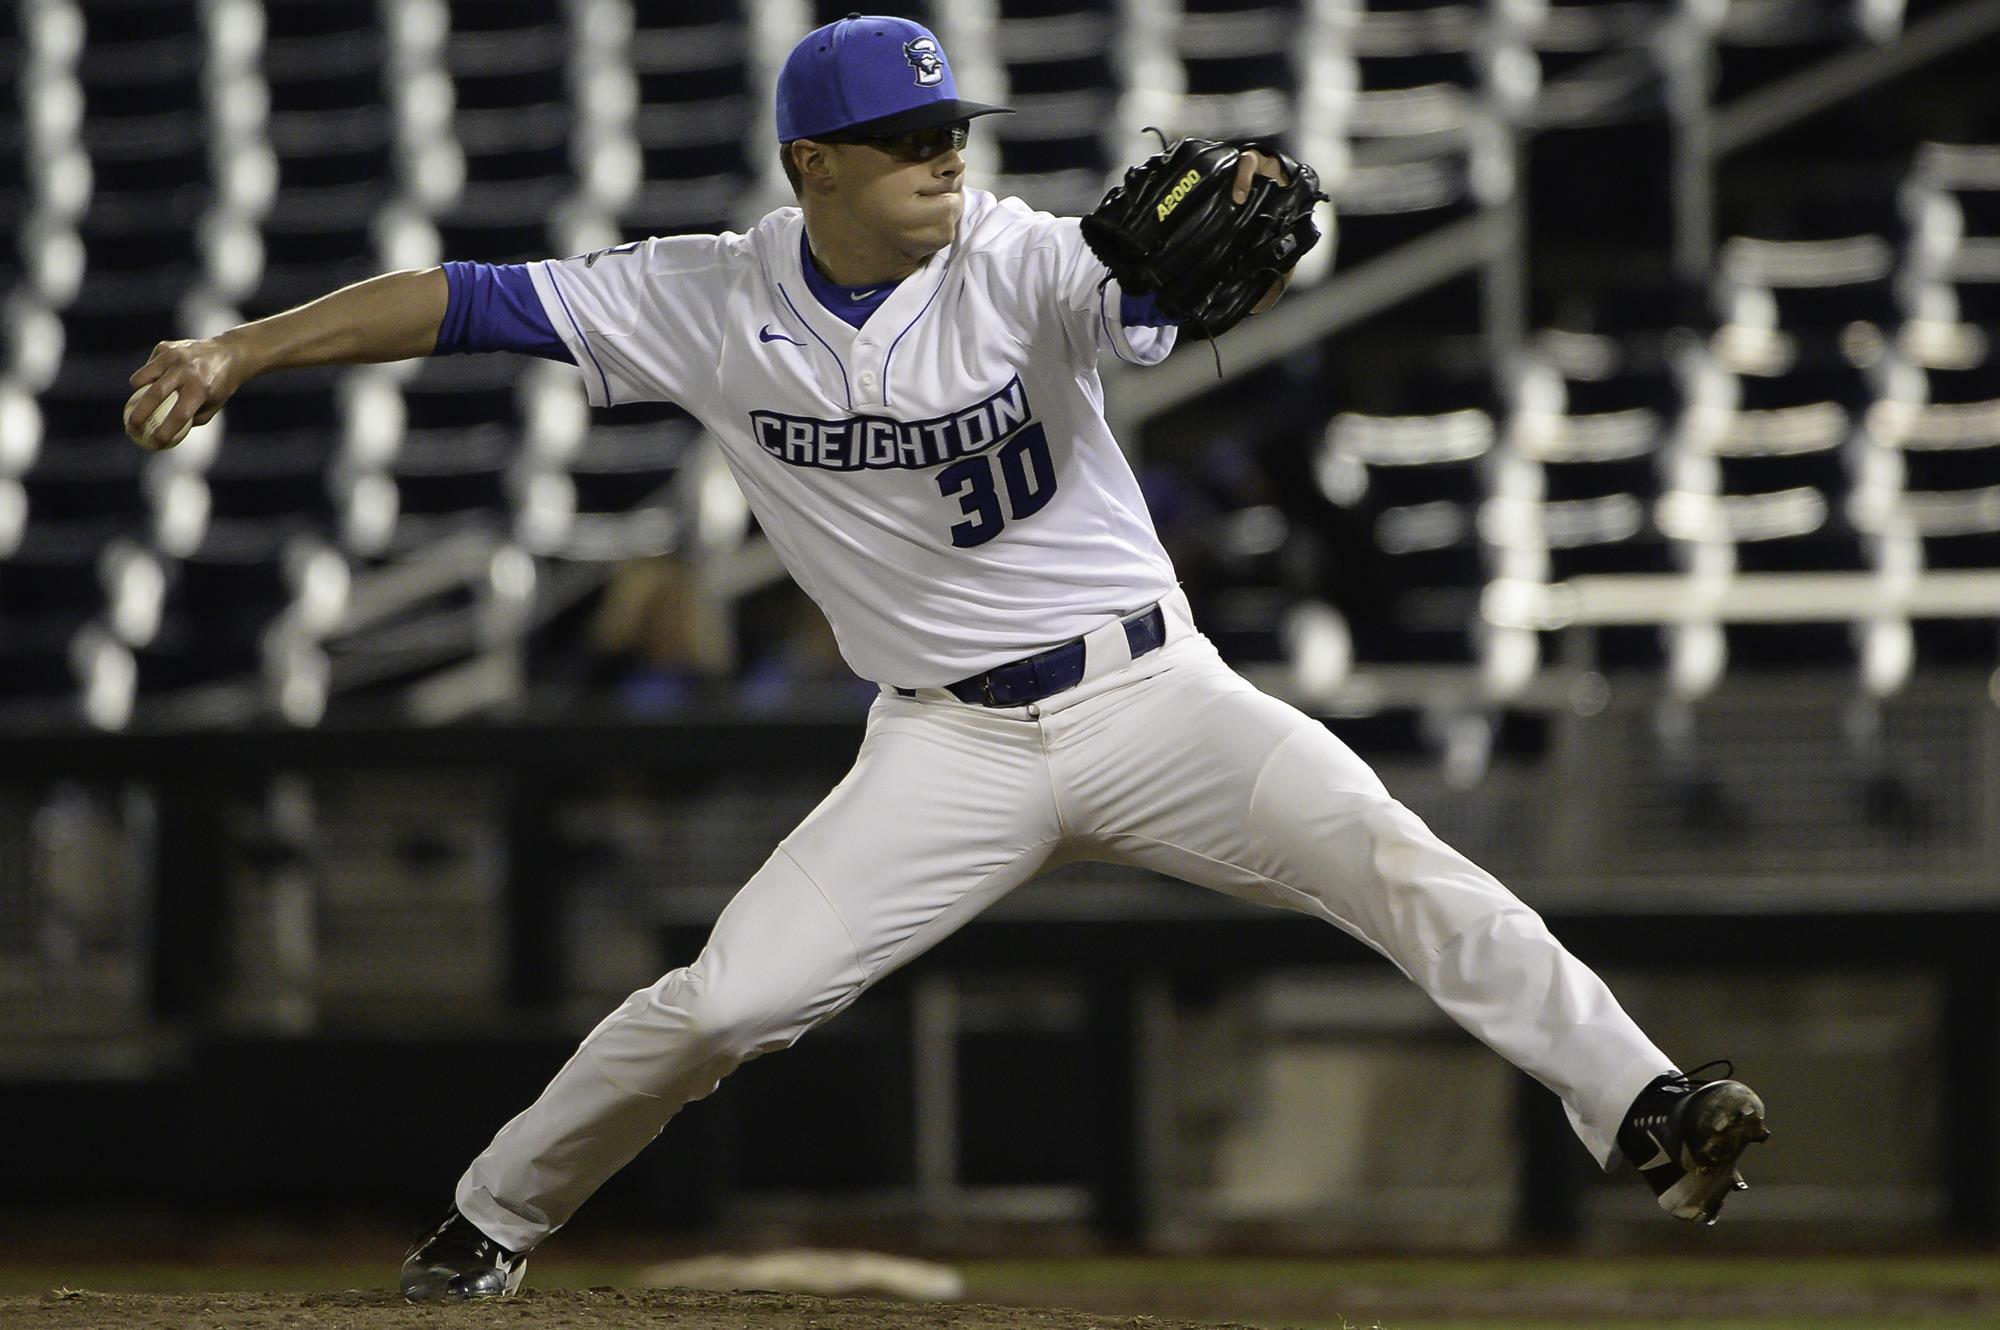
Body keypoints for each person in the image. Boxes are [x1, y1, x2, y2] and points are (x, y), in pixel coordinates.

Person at [123, 15, 1768, 1303]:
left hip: (1153, 695)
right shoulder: (705, 299)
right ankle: (486, 1224)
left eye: (952, 130)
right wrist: (240, 350)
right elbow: (462, 300)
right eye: (904, 140)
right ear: (808, 163)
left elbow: (1130, 302)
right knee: (725, 1004)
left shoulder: (1029, 260)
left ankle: (1647, 1104)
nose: (942, 158)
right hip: (946, 747)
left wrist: (1185, 268)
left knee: (1396, 858)